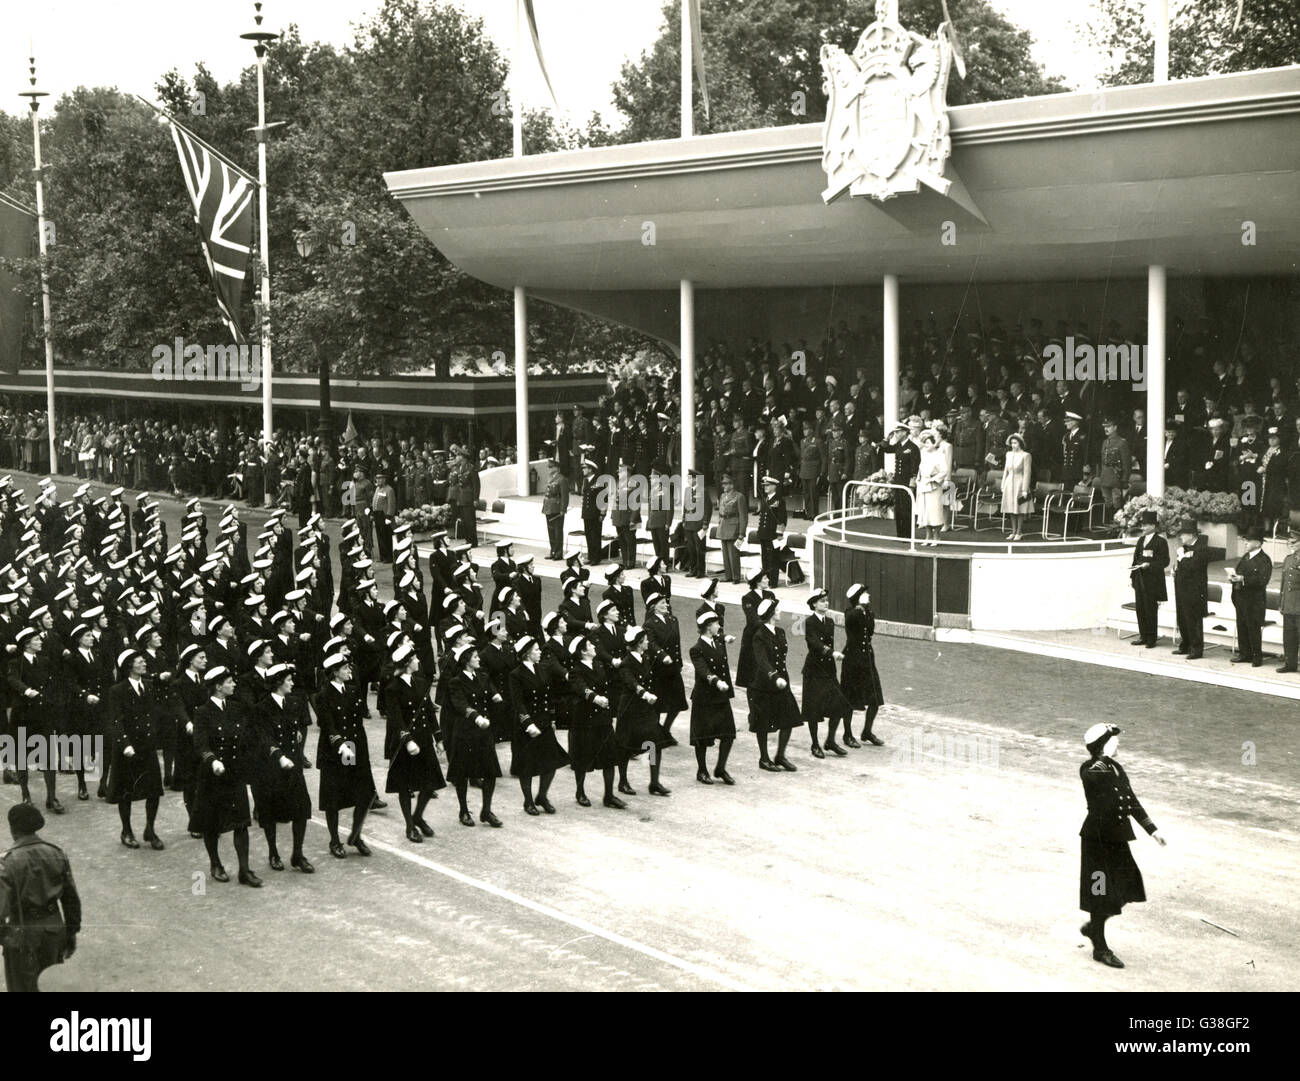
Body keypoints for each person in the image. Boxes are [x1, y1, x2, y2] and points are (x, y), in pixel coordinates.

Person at [1078, 723, 1166, 969]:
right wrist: (1103, 754)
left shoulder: (1116, 768)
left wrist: (1152, 830)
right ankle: (1100, 947)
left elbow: (1131, 801)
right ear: (1103, 745)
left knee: (1130, 884)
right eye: (1114, 740)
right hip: (1097, 839)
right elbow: (1093, 777)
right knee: (1100, 892)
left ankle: (1093, 927)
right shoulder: (1090, 768)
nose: (1119, 744)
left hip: (1117, 837)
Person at [191, 666, 262, 887]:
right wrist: (212, 760)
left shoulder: (236, 708)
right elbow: (200, 743)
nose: (234, 684)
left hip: (234, 772)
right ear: (218, 687)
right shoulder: (202, 712)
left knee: (241, 823)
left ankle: (244, 870)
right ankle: (215, 864)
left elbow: (246, 737)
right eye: (229, 682)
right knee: (212, 824)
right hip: (213, 774)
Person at [0, 804, 81, 992]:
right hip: (53, 930)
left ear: (13, 829)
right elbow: (71, 900)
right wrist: (71, 932)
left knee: (22, 987)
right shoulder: (56, 853)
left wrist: (6, 938)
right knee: (51, 986)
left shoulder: (7, 863)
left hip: (22, 933)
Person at [251, 664, 314, 873]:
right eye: (288, 680)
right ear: (278, 682)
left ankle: (297, 854)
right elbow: (264, 737)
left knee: (302, 807)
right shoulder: (261, 708)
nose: (292, 683)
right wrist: (279, 756)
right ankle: (273, 852)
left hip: (292, 764)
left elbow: (296, 728)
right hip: (271, 766)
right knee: (270, 812)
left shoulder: (293, 702)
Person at [383, 644, 446, 843]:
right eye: (415, 659)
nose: (419, 661)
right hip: (404, 743)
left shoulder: (421, 682)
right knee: (405, 786)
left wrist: (439, 738)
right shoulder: (392, 688)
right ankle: (410, 825)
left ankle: (418, 816)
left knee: (430, 783)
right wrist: (407, 740)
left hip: (423, 738)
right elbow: (395, 719)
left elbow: (428, 712)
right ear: (407, 663)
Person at [105, 650, 166, 851]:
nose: (144, 664)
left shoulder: (148, 686)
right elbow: (115, 720)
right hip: (128, 748)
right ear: (130, 666)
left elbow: (153, 714)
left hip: (146, 745)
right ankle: (126, 831)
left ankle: (150, 828)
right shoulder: (117, 690)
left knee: (154, 790)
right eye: (140, 662)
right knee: (126, 792)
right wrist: (125, 744)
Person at [316, 653, 375, 858]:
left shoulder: (352, 690)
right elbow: (327, 724)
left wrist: (357, 747)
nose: (349, 671)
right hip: (336, 750)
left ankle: (356, 835)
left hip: (355, 745)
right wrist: (340, 744)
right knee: (334, 797)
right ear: (335, 672)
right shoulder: (323, 695)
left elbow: (357, 721)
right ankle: (334, 840)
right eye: (345, 668)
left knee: (365, 793)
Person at [508, 636, 571, 814]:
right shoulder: (516, 674)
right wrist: (527, 723)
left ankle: (542, 796)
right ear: (527, 654)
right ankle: (528, 801)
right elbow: (517, 702)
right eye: (536, 650)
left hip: (543, 722)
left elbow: (547, 696)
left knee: (551, 762)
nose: (539, 652)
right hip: (526, 725)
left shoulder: (542, 669)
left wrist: (551, 719)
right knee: (526, 765)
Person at [445, 643, 504, 826]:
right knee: (463, 774)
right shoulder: (456, 681)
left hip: (483, 732)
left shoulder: (482, 676)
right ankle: (463, 810)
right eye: (475, 657)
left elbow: (491, 688)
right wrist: (476, 717)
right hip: (465, 732)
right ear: (466, 661)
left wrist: (496, 695)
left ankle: (486, 810)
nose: (479, 659)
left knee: (490, 772)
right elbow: (460, 704)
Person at [566, 634, 625, 808]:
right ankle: (580, 792)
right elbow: (581, 688)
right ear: (583, 651)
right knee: (582, 759)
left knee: (609, 757)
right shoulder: (575, 671)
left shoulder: (599, 665)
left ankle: (609, 795)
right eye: (590, 645)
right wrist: (595, 698)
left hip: (602, 719)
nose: (594, 647)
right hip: (584, 720)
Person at [748, 597, 802, 771]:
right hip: (764, 684)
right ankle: (764, 759)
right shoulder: (759, 635)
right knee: (762, 723)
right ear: (771, 614)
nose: (780, 612)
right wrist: (774, 676)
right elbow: (762, 661)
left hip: (781, 683)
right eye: (777, 610)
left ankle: (780, 756)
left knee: (789, 718)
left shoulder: (780, 632)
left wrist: (782, 677)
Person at [802, 588, 852, 757]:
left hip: (828, 670)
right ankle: (815, 744)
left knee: (841, 705)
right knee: (813, 709)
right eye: (822, 600)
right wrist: (831, 653)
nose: (826, 603)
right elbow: (813, 642)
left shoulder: (830, 622)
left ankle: (830, 741)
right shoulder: (809, 622)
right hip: (814, 671)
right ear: (814, 604)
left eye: (826, 600)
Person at [689, 611, 736, 784]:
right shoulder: (696, 649)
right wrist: (716, 681)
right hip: (705, 697)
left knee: (728, 734)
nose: (719, 626)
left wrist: (726, 637)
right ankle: (701, 771)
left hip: (721, 697)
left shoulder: (718, 642)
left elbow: (721, 636)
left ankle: (720, 768)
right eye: (716, 624)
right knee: (702, 737)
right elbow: (703, 670)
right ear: (708, 627)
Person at [840, 584, 884, 745]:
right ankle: (847, 734)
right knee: (850, 699)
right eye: (865, 594)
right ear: (858, 597)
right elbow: (853, 621)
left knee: (875, 698)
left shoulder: (866, 612)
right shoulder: (852, 613)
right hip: (853, 659)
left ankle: (867, 731)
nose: (869, 596)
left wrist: (867, 612)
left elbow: (870, 631)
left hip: (867, 658)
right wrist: (863, 611)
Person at [1228, 526, 1272, 667]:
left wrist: (1242, 578)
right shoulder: (1245, 557)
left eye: (1248, 540)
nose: (1245, 542)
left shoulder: (1264, 560)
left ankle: (1256, 656)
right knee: (1241, 625)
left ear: (1258, 543)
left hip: (1254, 601)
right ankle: (1244, 653)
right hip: (1241, 597)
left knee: (1253, 628)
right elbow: (1240, 572)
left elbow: (1262, 580)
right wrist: (1233, 577)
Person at [1128, 511, 1168, 648]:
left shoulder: (1160, 542)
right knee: (1140, 608)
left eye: (1145, 525)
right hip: (1140, 579)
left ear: (1153, 526)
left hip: (1152, 581)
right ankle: (1143, 635)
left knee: (1150, 609)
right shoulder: (1141, 540)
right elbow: (1135, 559)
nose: (1143, 528)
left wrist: (1149, 565)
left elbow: (1165, 561)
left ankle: (1151, 638)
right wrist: (1132, 577)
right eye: (1142, 525)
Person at [1171, 518, 1208, 662]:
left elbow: (1193, 567)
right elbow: (1183, 566)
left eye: (1183, 534)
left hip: (1194, 590)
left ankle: (1196, 648)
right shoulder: (1185, 548)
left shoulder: (1202, 548)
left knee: (1193, 619)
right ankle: (1185, 644)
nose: (1180, 537)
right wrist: (1175, 570)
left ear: (1191, 535)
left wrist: (1181, 557)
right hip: (1182, 587)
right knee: (1182, 617)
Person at [914, 428, 947, 546]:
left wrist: (934, 479)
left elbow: (944, 471)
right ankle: (928, 536)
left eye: (929, 442)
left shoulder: (940, 455)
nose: (926, 445)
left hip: (934, 487)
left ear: (934, 443)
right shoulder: (923, 454)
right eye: (925, 442)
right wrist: (918, 480)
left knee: (934, 511)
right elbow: (920, 469)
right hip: (923, 485)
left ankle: (936, 537)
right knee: (924, 511)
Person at [1001, 432, 1034, 541]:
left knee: (1020, 508)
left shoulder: (1026, 455)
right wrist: (1003, 484)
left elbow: (1027, 473)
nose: (1013, 445)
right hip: (1009, 483)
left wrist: (1025, 489)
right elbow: (1006, 470)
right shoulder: (1008, 454)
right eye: (1012, 443)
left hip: (1020, 483)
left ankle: (1019, 532)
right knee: (1011, 507)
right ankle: (1013, 531)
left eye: (1015, 443)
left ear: (1020, 443)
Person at [1277, 522, 1300, 674]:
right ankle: (1290, 664)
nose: (1290, 545)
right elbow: (1284, 584)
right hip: (1289, 606)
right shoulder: (1288, 559)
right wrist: (1281, 603)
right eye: (1288, 542)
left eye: (1294, 542)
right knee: (1289, 637)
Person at [716, 472, 747, 584]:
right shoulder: (722, 496)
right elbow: (720, 512)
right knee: (725, 554)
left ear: (732, 485)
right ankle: (728, 575)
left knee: (733, 554)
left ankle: (736, 577)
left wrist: (742, 533)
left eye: (725, 484)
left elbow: (743, 516)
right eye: (723, 484)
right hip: (724, 526)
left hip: (734, 527)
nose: (723, 486)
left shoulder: (739, 497)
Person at [756, 475, 786, 587]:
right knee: (765, 558)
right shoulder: (766, 499)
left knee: (773, 559)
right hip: (764, 534)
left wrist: (779, 534)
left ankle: (773, 582)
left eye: (768, 485)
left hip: (773, 534)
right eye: (764, 485)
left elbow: (782, 519)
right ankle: (766, 579)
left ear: (774, 486)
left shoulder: (779, 500)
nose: (765, 487)